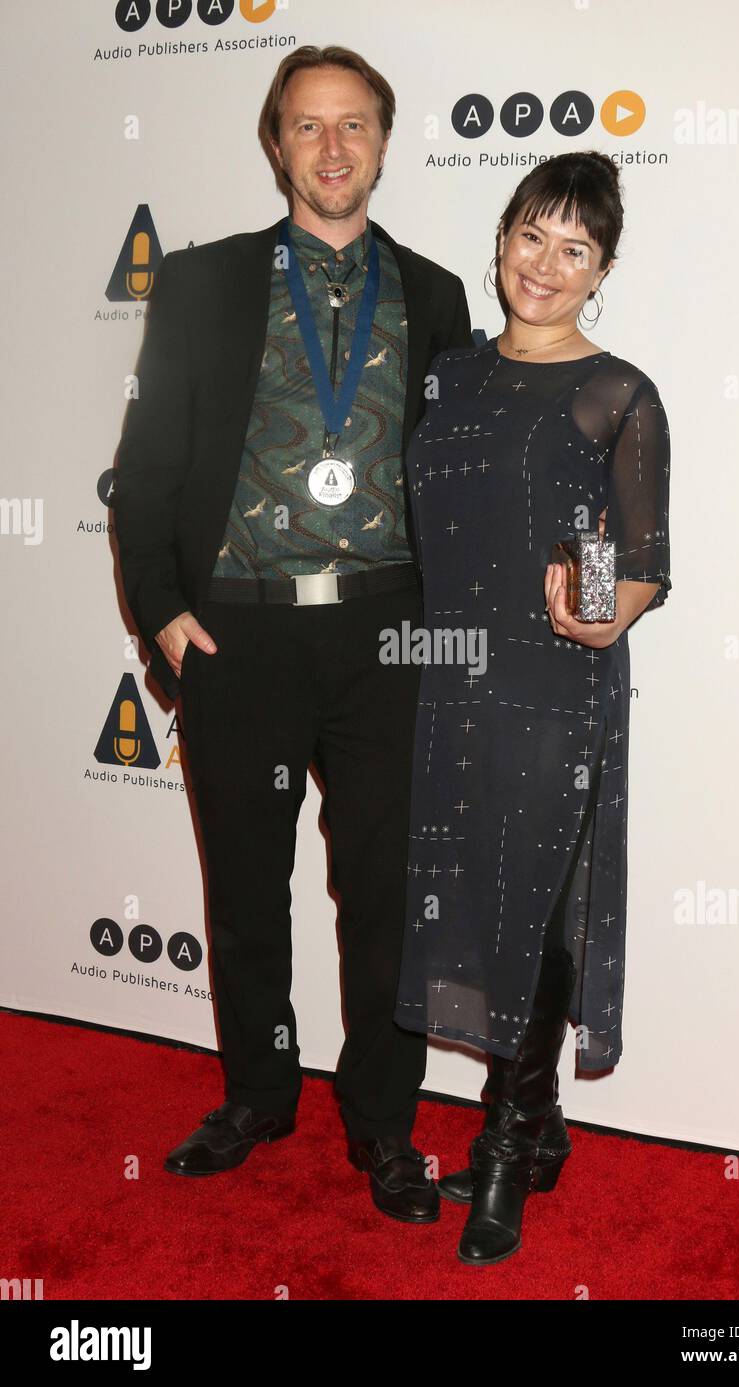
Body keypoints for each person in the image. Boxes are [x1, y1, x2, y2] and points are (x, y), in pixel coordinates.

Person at [112, 45, 473, 1222]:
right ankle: (261, 1093)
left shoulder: (432, 295)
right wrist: (163, 612)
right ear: (277, 144)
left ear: (382, 139)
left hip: (385, 644)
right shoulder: (204, 283)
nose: (330, 148)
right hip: (239, 641)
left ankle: (382, 1125)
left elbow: (462, 488)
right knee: (247, 891)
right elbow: (149, 464)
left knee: (382, 896)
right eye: (307, 126)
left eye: (353, 125)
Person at [393, 151, 672, 1262]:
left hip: (554, 686)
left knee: (536, 908)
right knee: (464, 899)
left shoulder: (616, 393)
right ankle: (543, 1122)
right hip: (442, 675)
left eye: (574, 250)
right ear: (500, 238)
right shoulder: (448, 374)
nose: (544, 267)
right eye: (530, 237)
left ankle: (507, 1146)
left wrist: (605, 612)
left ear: (600, 271)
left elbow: (632, 559)